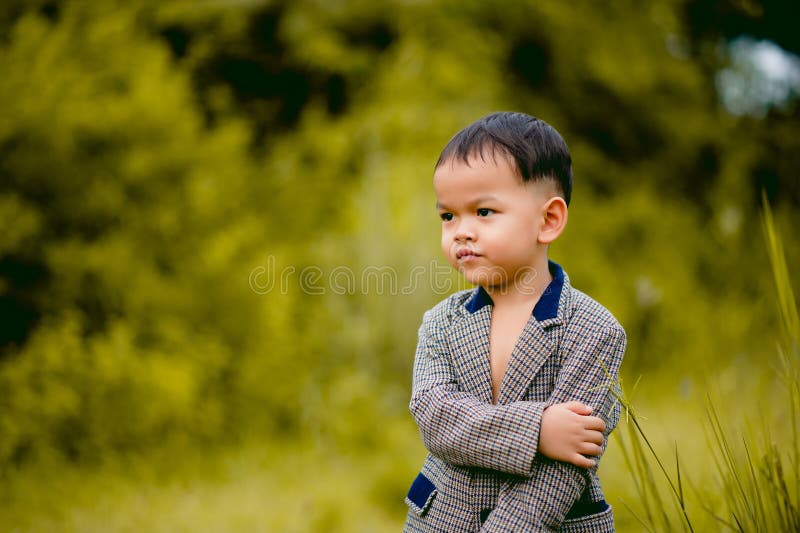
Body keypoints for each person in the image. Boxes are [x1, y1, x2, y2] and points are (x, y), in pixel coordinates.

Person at [403, 112, 626, 532]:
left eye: (483, 211)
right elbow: (436, 417)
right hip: (445, 520)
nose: (461, 232)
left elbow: (566, 466)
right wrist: (538, 429)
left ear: (548, 220)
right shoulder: (440, 323)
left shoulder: (595, 330)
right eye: (448, 216)